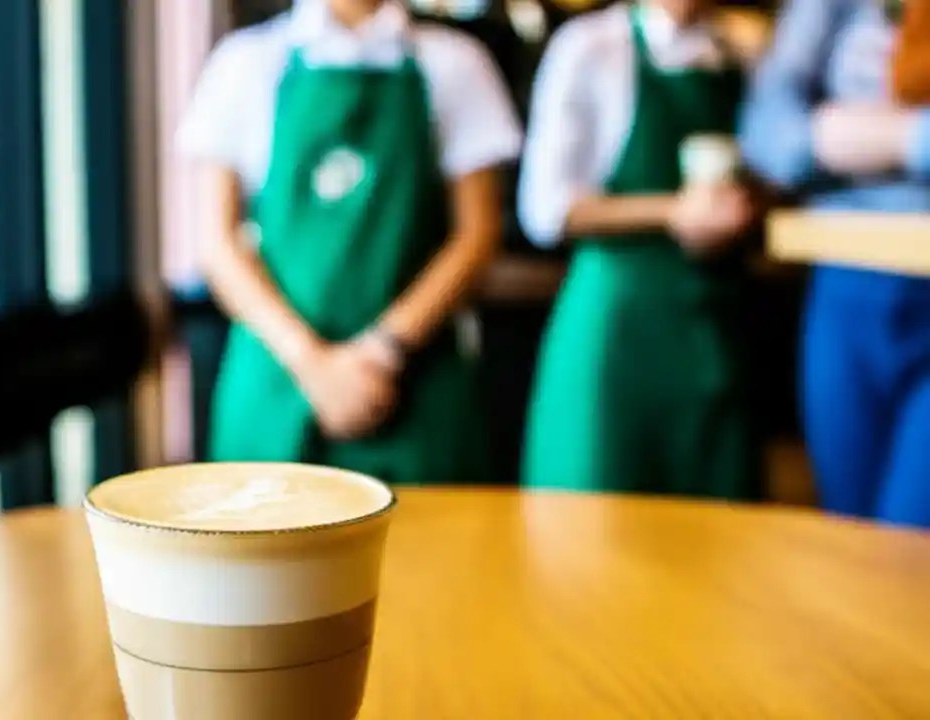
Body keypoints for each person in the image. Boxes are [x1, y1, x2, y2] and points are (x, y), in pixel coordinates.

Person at [178, 0, 523, 484]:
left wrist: (382, 350)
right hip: (277, 373)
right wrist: (312, 363)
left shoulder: (454, 63)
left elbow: (476, 236)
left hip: (415, 380)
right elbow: (219, 243)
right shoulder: (244, 63)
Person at [518, 0, 761, 497]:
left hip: (715, 323)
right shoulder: (592, 46)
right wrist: (674, 211)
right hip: (618, 331)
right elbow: (546, 211)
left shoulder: (737, 52)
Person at [741, 0, 930, 527]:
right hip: (845, 281)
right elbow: (769, 136)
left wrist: (888, 137)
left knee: (910, 540)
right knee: (849, 533)